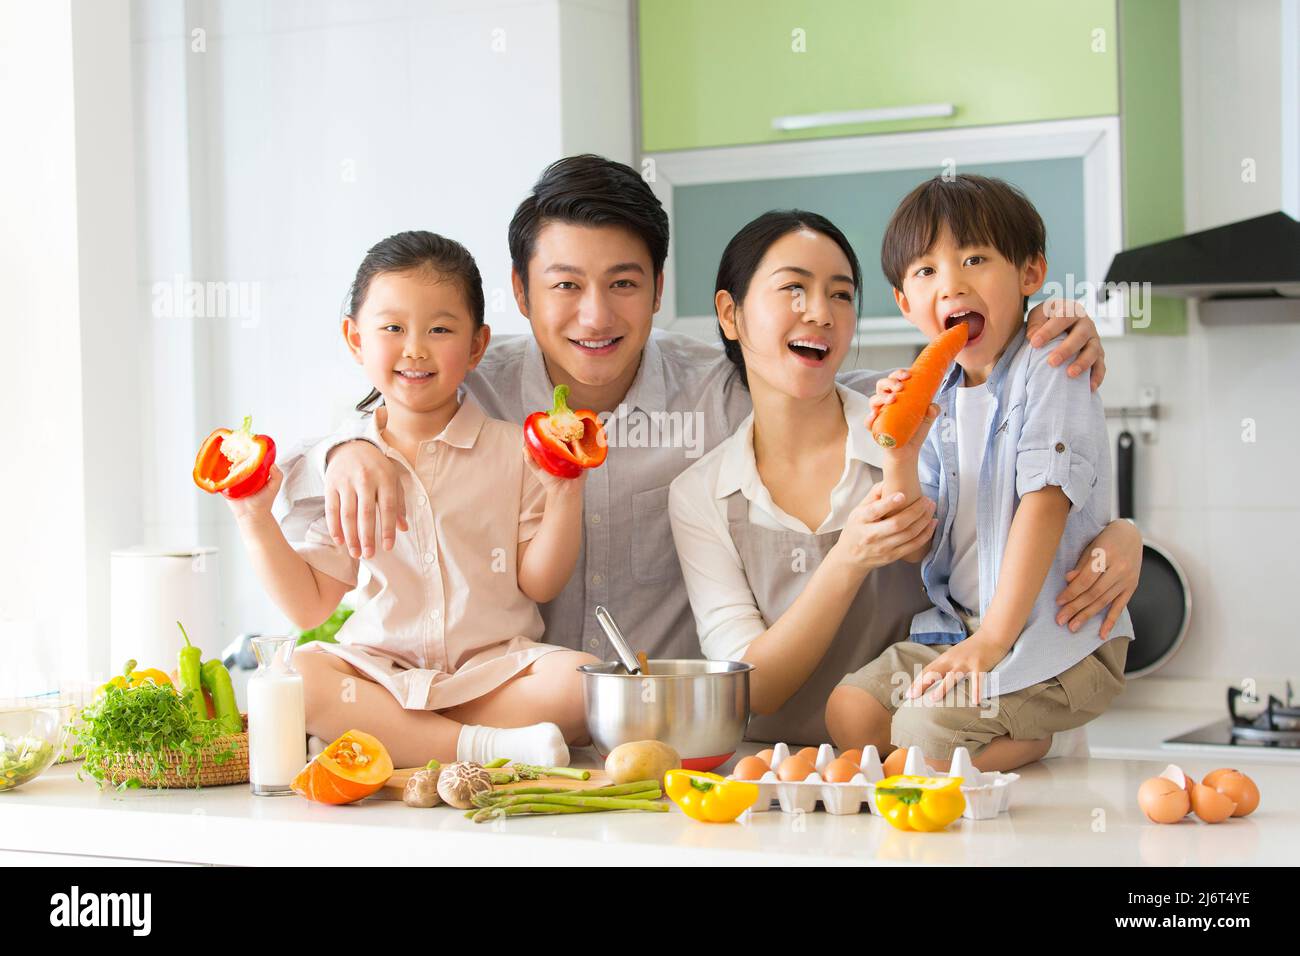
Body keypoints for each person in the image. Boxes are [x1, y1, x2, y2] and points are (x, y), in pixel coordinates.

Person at [278, 155, 1140, 671]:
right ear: (519, 291)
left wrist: (1040, 347)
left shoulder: (718, 388)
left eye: (623, 284)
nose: (595, 316)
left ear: (659, 289)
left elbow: (940, 398)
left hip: (681, 746)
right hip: (515, 723)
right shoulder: (474, 383)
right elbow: (320, 461)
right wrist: (347, 447)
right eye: (566, 285)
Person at [231, 231, 596, 769]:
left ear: (477, 345)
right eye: (392, 328)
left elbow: (539, 583)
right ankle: (486, 748)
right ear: (355, 339)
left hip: (489, 677)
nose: (415, 349)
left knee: (582, 683)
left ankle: (402, 739)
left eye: (440, 329)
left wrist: (565, 494)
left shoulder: (513, 450)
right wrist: (253, 519)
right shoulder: (348, 468)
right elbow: (310, 607)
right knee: (298, 675)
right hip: (382, 675)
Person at [829, 175, 1134, 772]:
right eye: (926, 271)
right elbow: (917, 540)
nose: (952, 284)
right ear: (904, 302)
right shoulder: (935, 392)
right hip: (959, 630)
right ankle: (974, 742)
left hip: (1053, 642)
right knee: (851, 712)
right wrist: (900, 455)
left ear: (1030, 273)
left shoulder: (1052, 363)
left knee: (921, 736)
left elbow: (1045, 504)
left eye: (974, 259)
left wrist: (993, 640)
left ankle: (1033, 738)